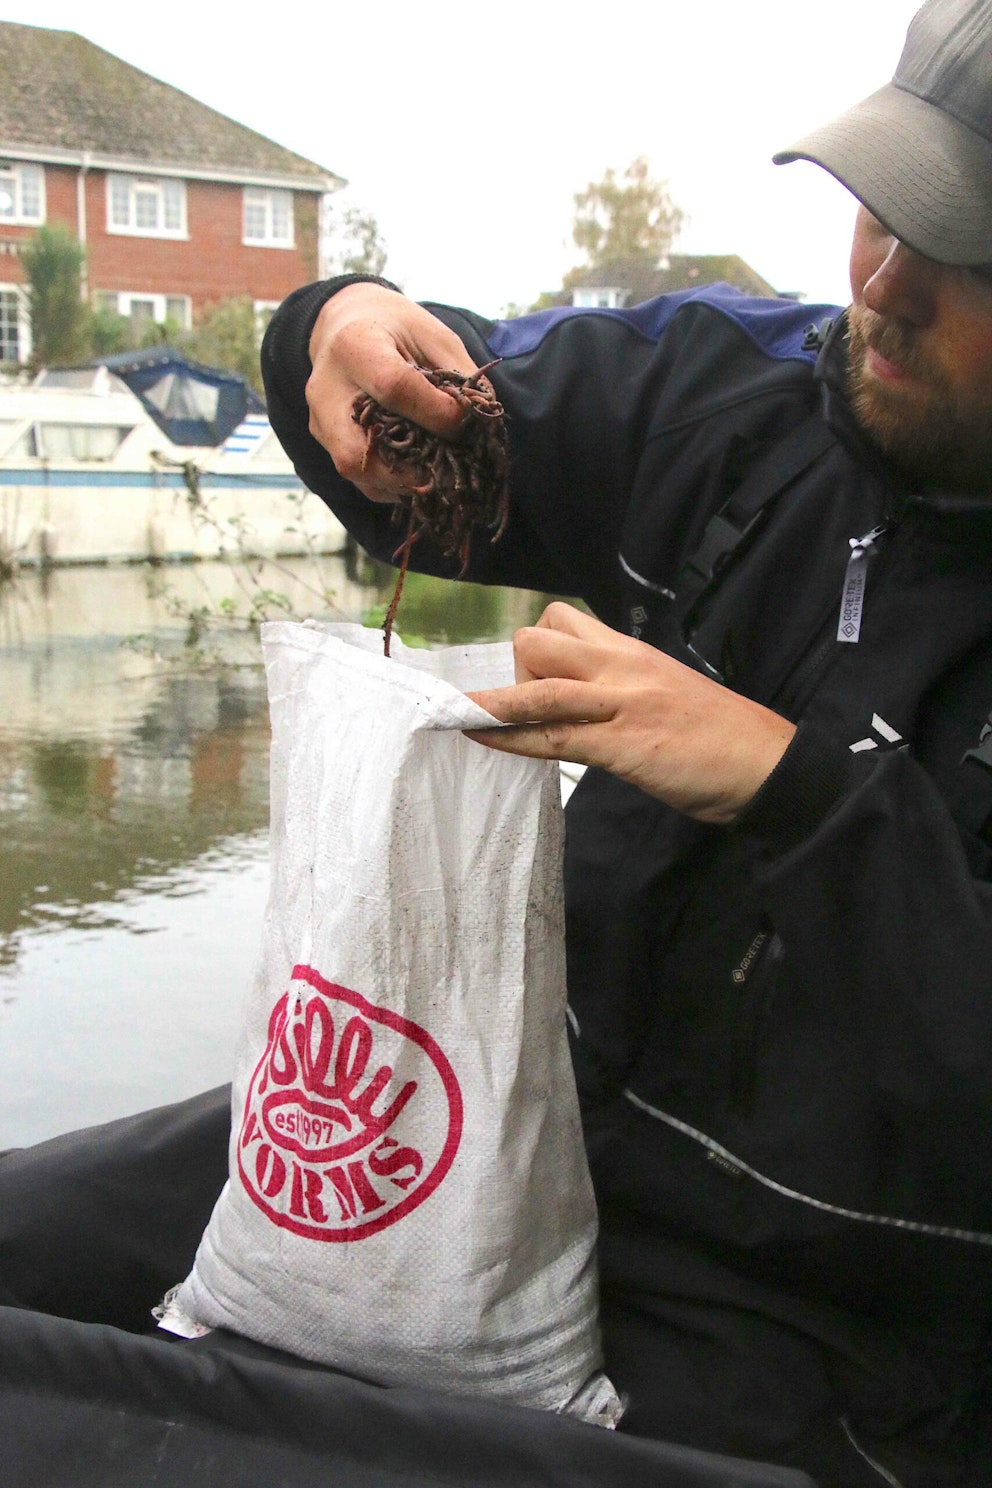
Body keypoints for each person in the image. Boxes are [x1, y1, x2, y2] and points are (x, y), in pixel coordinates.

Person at [0, 2, 988, 1485]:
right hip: (483, 1130)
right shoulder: (728, 397)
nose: (886, 284)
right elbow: (454, 396)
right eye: (882, 213)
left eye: (967, 253)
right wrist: (336, 331)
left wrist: (794, 791)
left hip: (822, 1332)